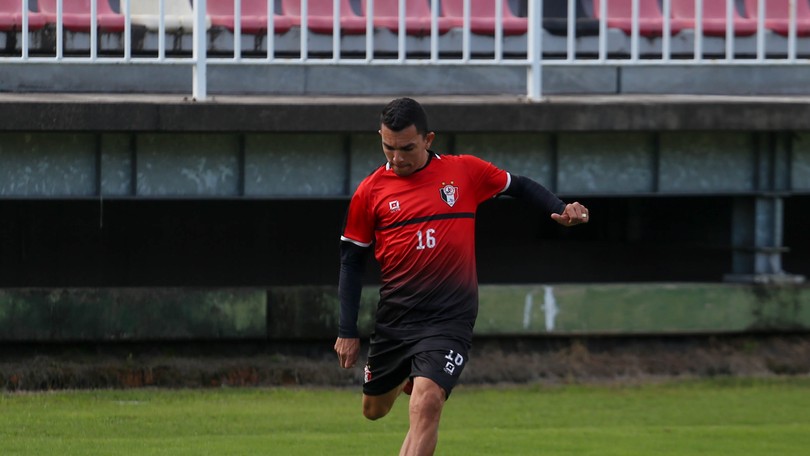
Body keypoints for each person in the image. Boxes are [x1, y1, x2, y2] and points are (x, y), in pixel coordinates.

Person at [334, 97, 589, 455]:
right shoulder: (370, 191)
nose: (396, 158)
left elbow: (519, 185)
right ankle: (409, 374)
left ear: (428, 139)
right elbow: (351, 261)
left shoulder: (464, 172)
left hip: (449, 318)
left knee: (428, 402)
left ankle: (422, 377)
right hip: (397, 319)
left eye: (406, 147)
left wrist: (561, 208)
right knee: (373, 411)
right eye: (387, 147)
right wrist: (347, 331)